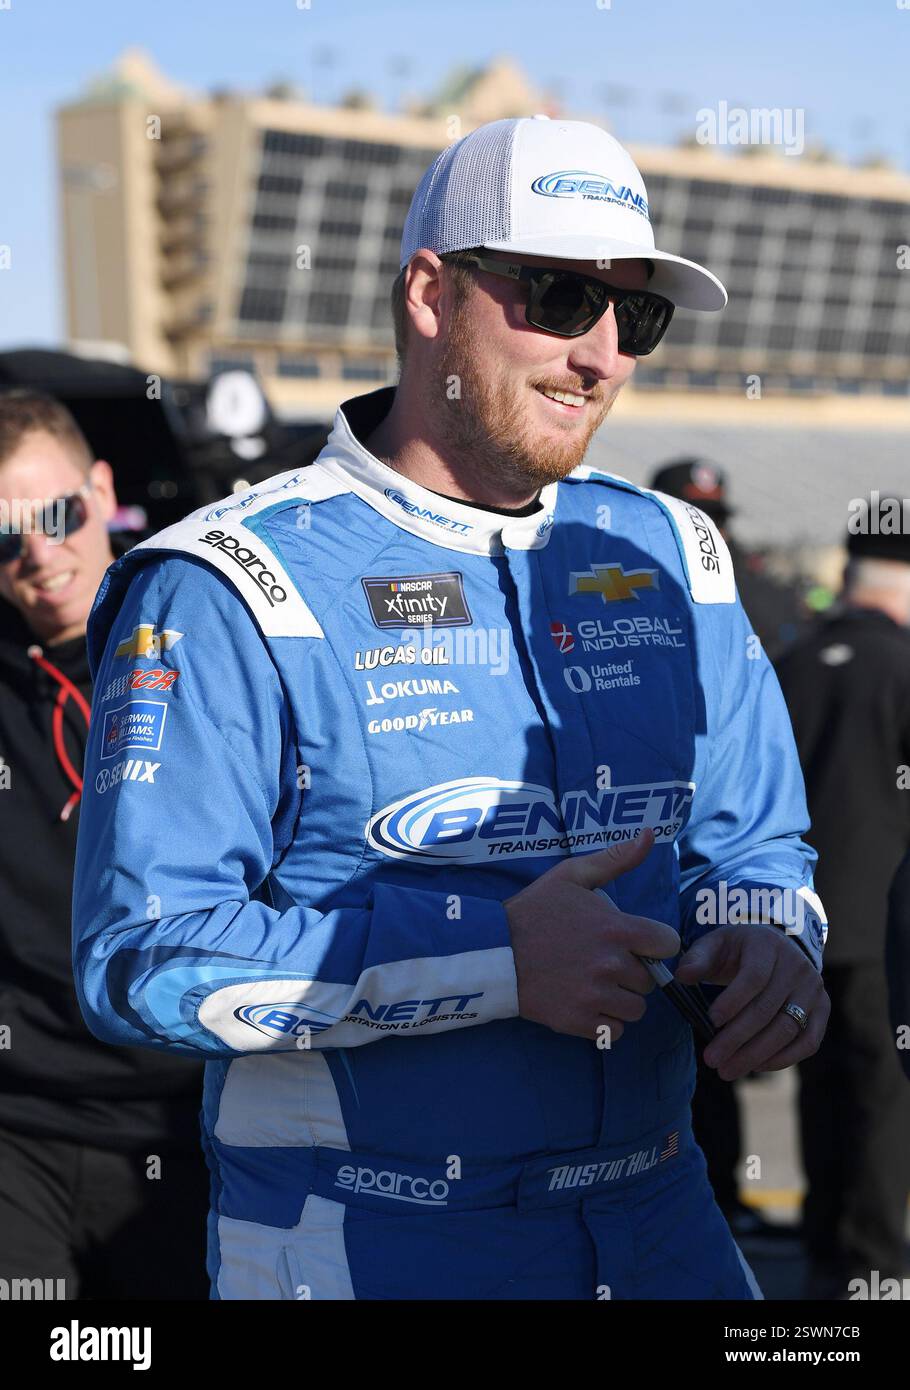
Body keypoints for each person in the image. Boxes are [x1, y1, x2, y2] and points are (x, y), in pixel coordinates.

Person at [72, 115, 828, 1301]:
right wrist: (491, 961)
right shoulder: (229, 583)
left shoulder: (672, 547)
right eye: (560, 298)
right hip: (364, 1236)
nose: (604, 355)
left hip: (660, 1221)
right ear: (430, 293)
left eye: (636, 315)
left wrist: (767, 941)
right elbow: (138, 958)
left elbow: (754, 843)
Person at [0, 389, 209, 1300]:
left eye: (55, 514)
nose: (39, 555)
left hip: (192, 1121)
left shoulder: (212, 636)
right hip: (19, 1133)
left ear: (102, 489)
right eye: (3, 535)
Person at [648, 457, 808, 1241]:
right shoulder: (635, 575)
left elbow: (758, 822)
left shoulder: (735, 591)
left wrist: (780, 925)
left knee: (720, 1053)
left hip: (709, 884)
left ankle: (727, 1199)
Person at [776, 509, 910, 1298]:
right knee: (881, 1104)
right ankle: (874, 1268)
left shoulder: (791, 662)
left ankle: (827, 1246)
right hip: (882, 930)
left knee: (818, 1093)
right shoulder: (902, 668)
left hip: (797, 924)